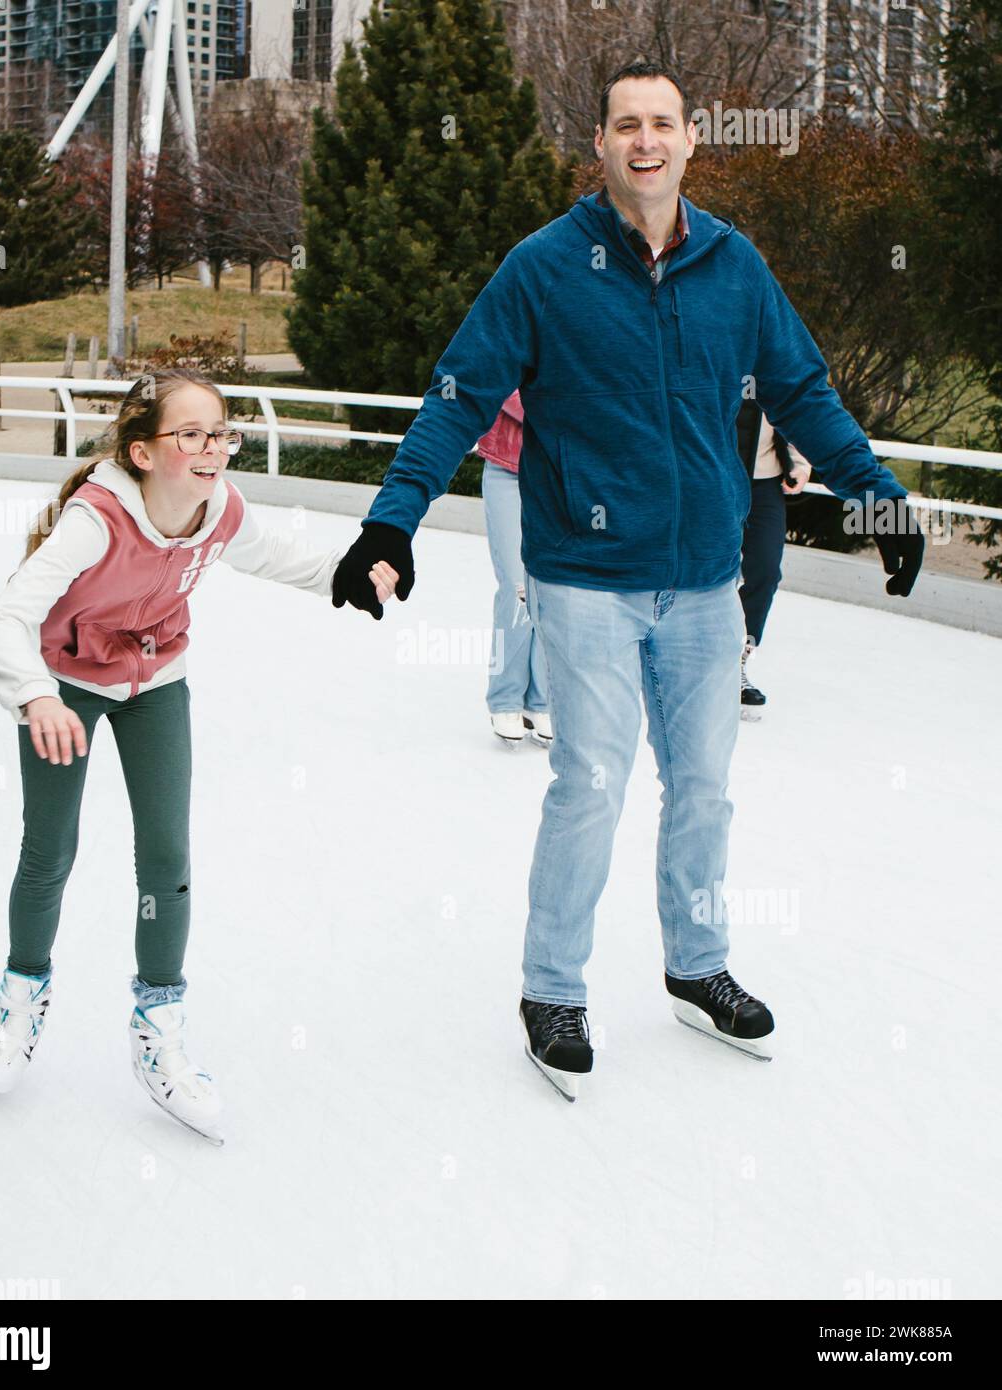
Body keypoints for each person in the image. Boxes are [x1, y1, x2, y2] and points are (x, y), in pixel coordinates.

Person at [329, 62, 923, 1098]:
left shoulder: (734, 267)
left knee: (701, 790)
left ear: (691, 139)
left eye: (661, 124)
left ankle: (696, 968)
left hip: (702, 582)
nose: (643, 140)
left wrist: (876, 500)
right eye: (623, 125)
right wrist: (391, 521)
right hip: (585, 580)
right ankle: (550, 988)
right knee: (590, 784)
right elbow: (457, 398)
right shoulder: (542, 268)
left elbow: (803, 391)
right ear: (597, 145)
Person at [0, 367, 396, 1141]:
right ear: (141, 451)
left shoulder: (219, 507)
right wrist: (34, 696)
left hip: (157, 678)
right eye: (192, 434)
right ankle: (19, 1002)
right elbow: (2, 620)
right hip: (63, 682)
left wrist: (345, 577)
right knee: (49, 851)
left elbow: (270, 554)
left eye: (222, 432)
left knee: (166, 856)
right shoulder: (94, 519)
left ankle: (158, 1026)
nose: (213, 449)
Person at [476, 389, 552, 747]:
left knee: (552, 585)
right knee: (516, 586)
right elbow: (503, 383)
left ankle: (542, 699)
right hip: (507, 468)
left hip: (559, 475)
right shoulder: (511, 330)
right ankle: (505, 697)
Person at [735, 400, 812, 717]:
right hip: (717, 476)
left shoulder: (778, 355)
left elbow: (800, 412)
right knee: (710, 573)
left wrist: (800, 465)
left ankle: (737, 664)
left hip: (767, 486)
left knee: (765, 573)